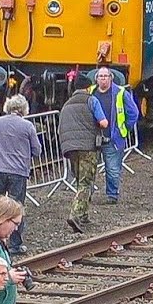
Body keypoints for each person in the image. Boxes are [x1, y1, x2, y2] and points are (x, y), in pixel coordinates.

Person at [0, 95, 40, 253]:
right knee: (16, 208)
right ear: (24, 109)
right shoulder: (27, 126)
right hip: (18, 172)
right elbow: (37, 150)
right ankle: (15, 244)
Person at [57, 85, 107, 232]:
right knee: (86, 183)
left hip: (70, 148)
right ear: (88, 88)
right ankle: (75, 214)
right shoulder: (92, 100)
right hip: (88, 147)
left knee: (80, 181)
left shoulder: (66, 104)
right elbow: (103, 122)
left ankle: (84, 215)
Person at [88, 67, 139, 204]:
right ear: (96, 79)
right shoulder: (90, 92)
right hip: (93, 138)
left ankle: (112, 196)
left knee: (112, 169)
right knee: (89, 169)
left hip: (113, 138)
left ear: (111, 78)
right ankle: (87, 195)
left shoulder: (120, 93)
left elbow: (133, 113)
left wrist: (123, 129)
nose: (103, 79)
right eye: (101, 76)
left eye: (106, 76)